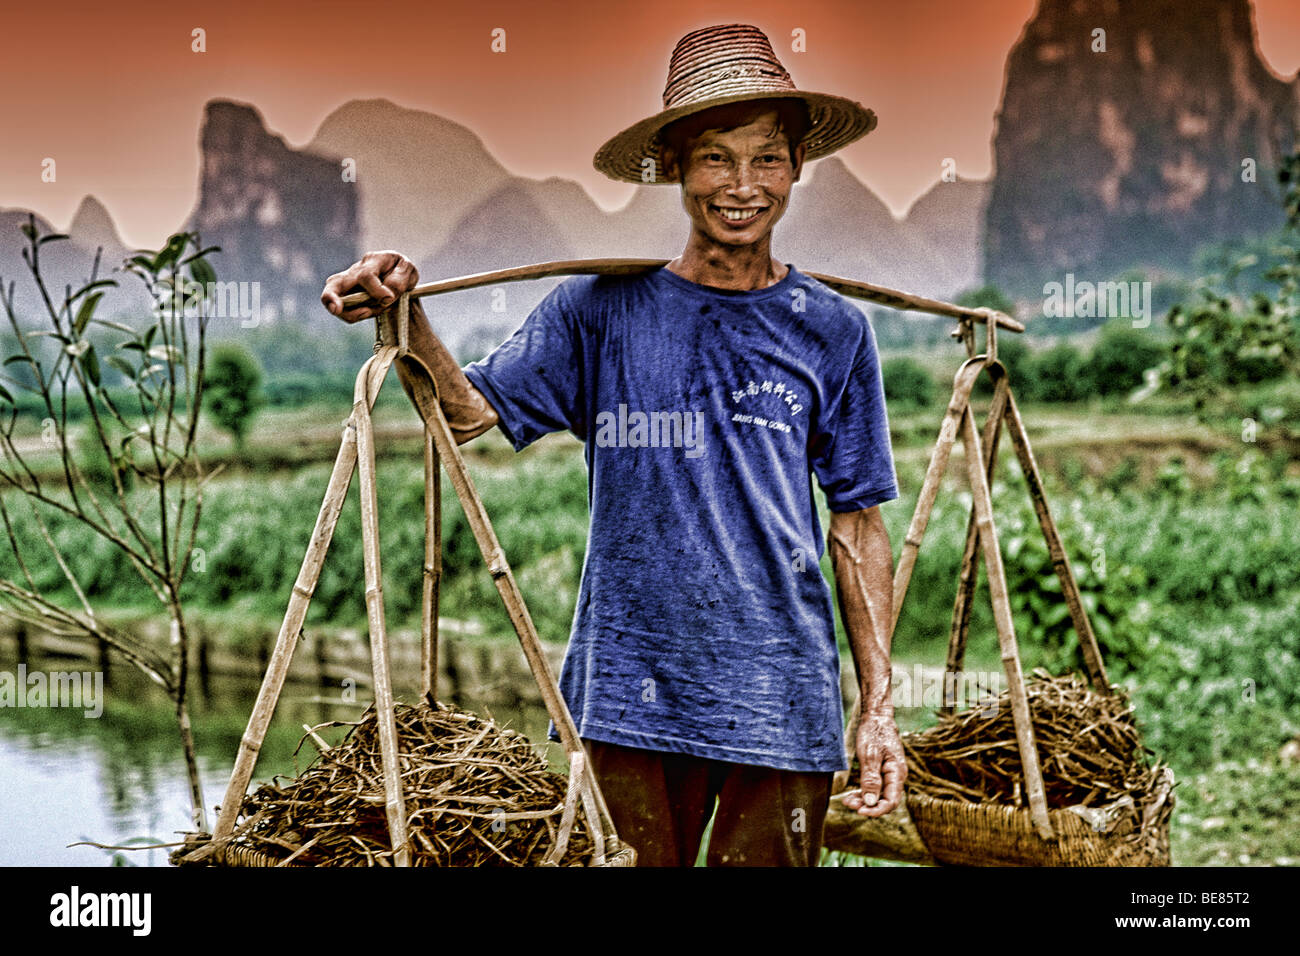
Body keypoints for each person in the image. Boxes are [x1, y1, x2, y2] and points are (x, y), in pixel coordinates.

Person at [321, 23, 906, 867]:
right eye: (715, 157)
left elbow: (857, 524)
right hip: (630, 702)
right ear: (674, 164)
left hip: (783, 703)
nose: (743, 186)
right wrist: (401, 312)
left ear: (798, 167)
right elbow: (470, 411)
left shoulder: (833, 332)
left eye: (767, 159)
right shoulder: (601, 310)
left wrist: (878, 704)